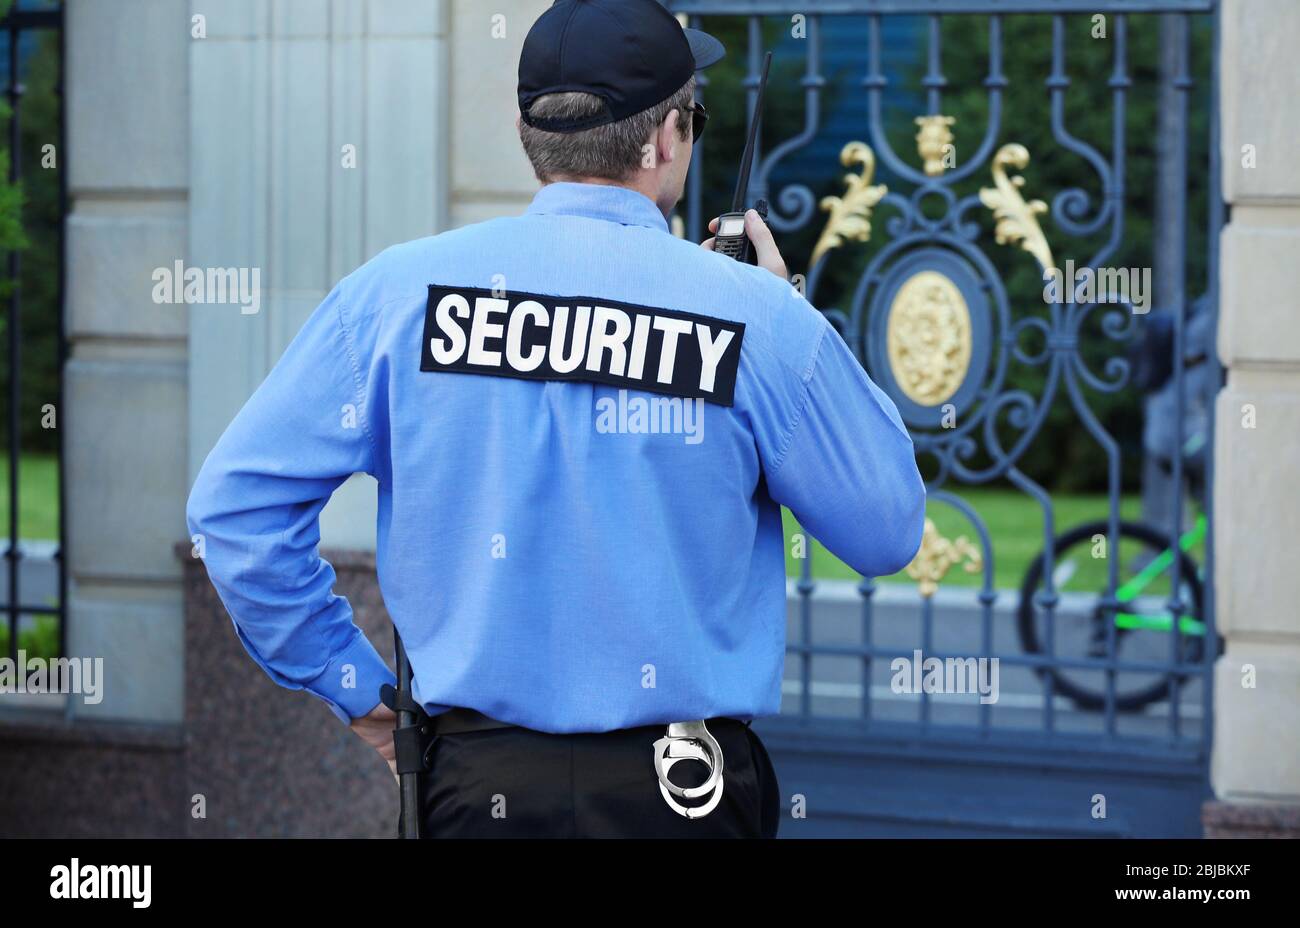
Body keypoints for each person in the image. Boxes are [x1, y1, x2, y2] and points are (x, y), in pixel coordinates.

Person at [185, 0, 925, 839]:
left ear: (528, 131)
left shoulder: (394, 297)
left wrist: (357, 689)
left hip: (474, 790)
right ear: (666, 139)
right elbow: (886, 528)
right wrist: (788, 317)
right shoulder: (754, 318)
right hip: (683, 796)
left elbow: (234, 515)